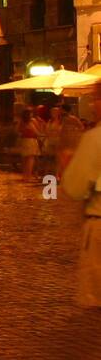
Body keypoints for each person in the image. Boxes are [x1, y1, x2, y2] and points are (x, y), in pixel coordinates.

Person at [63, 84, 101, 308]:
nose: (92, 104)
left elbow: (75, 188)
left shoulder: (94, 139)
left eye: (96, 98)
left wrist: (70, 169)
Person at [17, 108, 42, 180]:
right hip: (31, 140)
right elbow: (37, 131)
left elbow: (18, 130)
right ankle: (28, 176)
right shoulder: (32, 121)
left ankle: (24, 176)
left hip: (24, 140)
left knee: (24, 159)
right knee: (30, 159)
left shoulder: (21, 122)